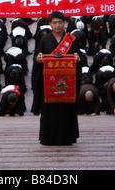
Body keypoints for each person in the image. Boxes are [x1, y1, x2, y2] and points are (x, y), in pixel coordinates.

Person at [33, 11, 83, 146]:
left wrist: (78, 59)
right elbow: (37, 55)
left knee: (66, 109)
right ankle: (48, 138)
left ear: (64, 23)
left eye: (60, 22)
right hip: (49, 82)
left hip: (67, 82)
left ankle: (67, 138)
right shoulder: (44, 39)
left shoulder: (71, 39)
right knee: (50, 109)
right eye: (54, 23)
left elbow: (79, 56)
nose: (58, 25)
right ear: (50, 24)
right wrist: (38, 59)